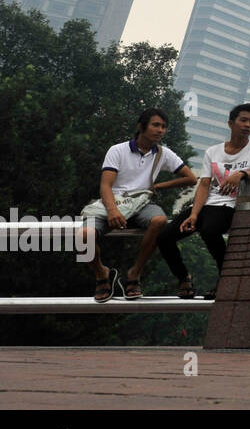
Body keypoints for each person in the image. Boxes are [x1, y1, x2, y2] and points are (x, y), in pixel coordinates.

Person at [80, 108, 197, 301]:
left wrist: (157, 185)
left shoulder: (163, 153)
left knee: (159, 220)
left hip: (142, 204)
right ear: (141, 126)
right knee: (84, 236)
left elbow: (191, 178)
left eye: (164, 127)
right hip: (113, 202)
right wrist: (112, 210)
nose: (160, 130)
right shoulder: (118, 150)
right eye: (156, 125)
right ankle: (102, 273)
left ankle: (134, 273)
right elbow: (106, 185)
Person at [157, 103, 250, 299]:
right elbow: (205, 185)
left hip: (232, 205)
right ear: (231, 123)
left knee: (210, 230)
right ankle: (183, 278)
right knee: (164, 236)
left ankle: (225, 278)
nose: (248, 125)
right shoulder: (213, 151)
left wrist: (240, 173)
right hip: (208, 205)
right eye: (243, 120)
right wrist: (193, 214)